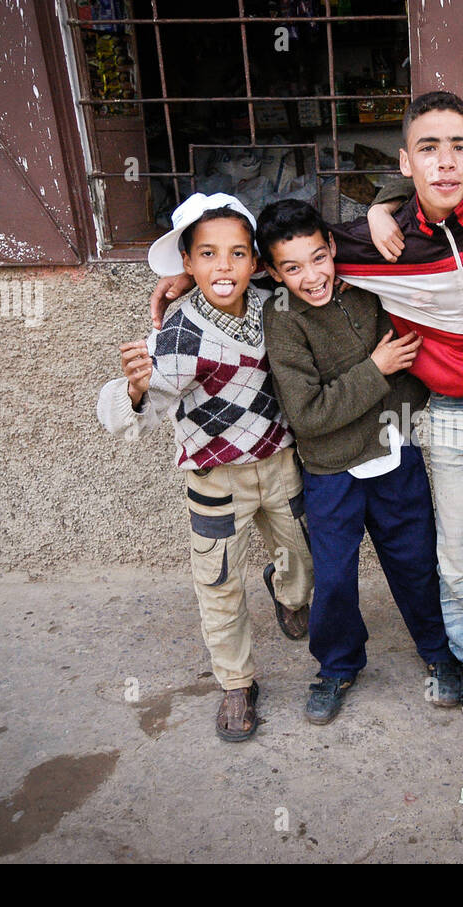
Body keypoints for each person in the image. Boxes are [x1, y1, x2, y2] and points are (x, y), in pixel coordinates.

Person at [150, 91, 463, 719]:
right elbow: (291, 254)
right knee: (453, 554)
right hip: (448, 408)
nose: (445, 164)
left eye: (458, 149)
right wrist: (196, 275)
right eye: (428, 150)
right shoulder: (375, 245)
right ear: (405, 161)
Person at [98, 192, 313, 743]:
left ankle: (288, 594)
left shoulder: (274, 301)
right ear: (187, 264)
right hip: (216, 480)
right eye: (209, 255)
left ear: (256, 261)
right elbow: (128, 417)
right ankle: (237, 682)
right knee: (218, 581)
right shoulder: (176, 335)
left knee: (302, 553)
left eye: (238, 253)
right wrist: (135, 389)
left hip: (281, 461)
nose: (224, 266)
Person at [256, 198, 459, 724]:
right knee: (336, 578)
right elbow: (307, 414)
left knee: (416, 564)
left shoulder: (367, 286)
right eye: (292, 268)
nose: (311, 276)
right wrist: (376, 368)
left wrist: (375, 209)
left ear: (332, 248)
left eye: (319, 258)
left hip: (396, 457)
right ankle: (338, 665)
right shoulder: (282, 319)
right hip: (330, 474)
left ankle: (438, 652)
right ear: (273, 273)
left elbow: (414, 191)